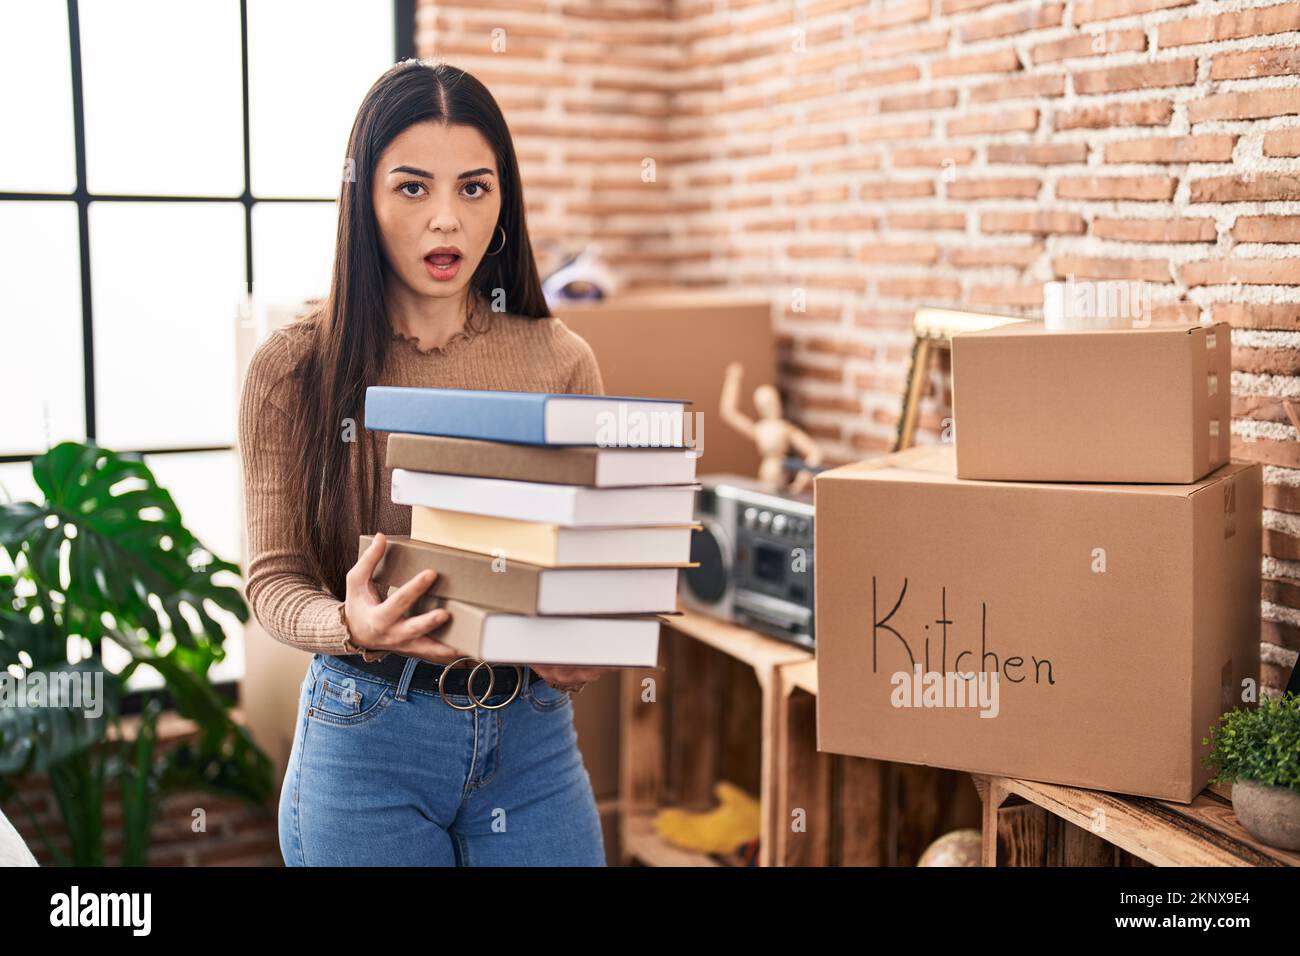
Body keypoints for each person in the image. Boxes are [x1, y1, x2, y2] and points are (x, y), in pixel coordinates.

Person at [238, 59, 611, 866]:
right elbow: (271, 583)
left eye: (474, 188)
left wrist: (587, 642)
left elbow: (585, 561)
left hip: (533, 738)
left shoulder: (562, 361)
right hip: (368, 735)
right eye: (413, 188)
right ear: (363, 200)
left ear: (502, 199)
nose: (447, 220)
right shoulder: (293, 367)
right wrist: (349, 625)